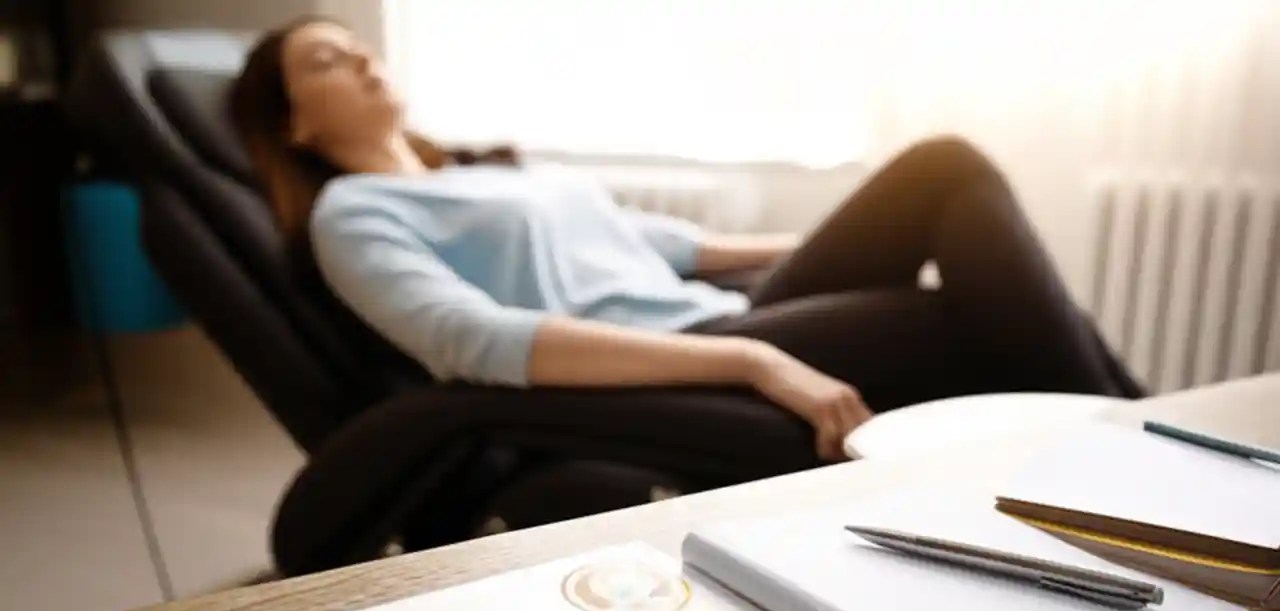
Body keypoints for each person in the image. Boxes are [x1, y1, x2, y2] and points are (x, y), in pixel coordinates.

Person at [230, 17, 1142, 463]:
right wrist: (752, 362)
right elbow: (471, 343)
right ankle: (1144, 443)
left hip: (729, 307)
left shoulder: (478, 172)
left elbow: (662, 244)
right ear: (296, 129)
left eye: (355, 44)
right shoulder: (352, 214)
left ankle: (1146, 434)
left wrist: (845, 240)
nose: (356, 56)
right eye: (322, 61)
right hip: (683, 347)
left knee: (943, 176)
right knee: (962, 307)